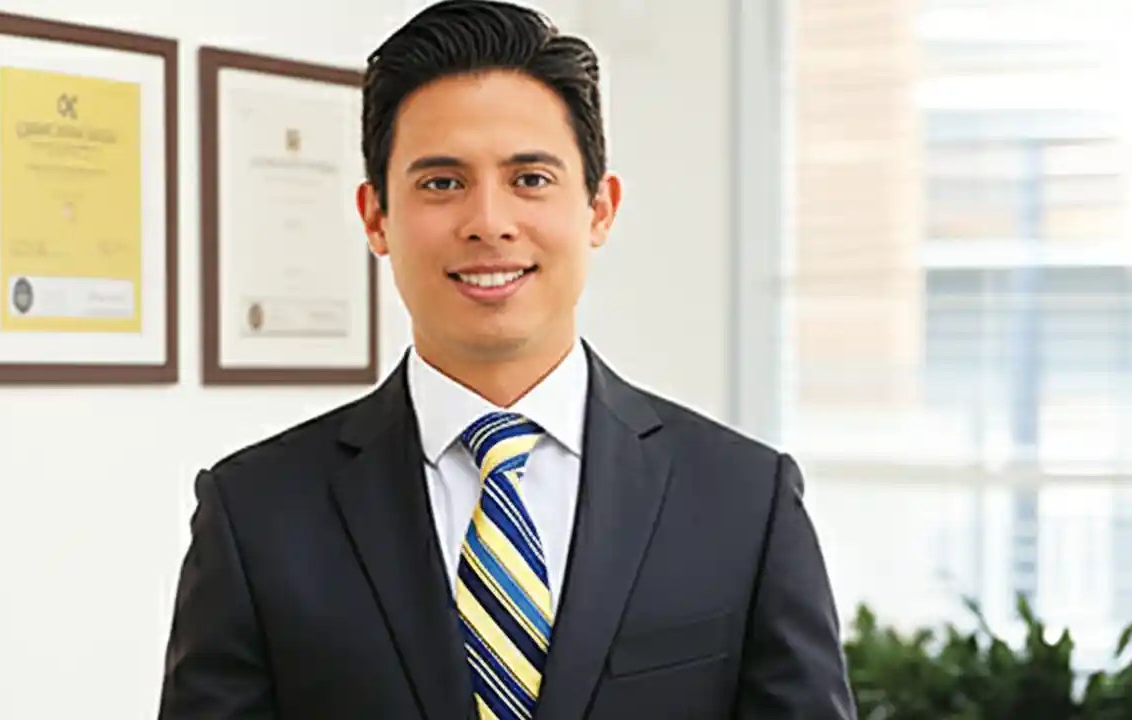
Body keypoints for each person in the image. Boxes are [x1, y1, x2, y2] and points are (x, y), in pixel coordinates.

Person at [157, 1, 855, 717]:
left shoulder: (745, 501)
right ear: (375, 217)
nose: (489, 223)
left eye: (530, 179)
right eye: (442, 183)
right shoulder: (255, 515)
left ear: (599, 209)